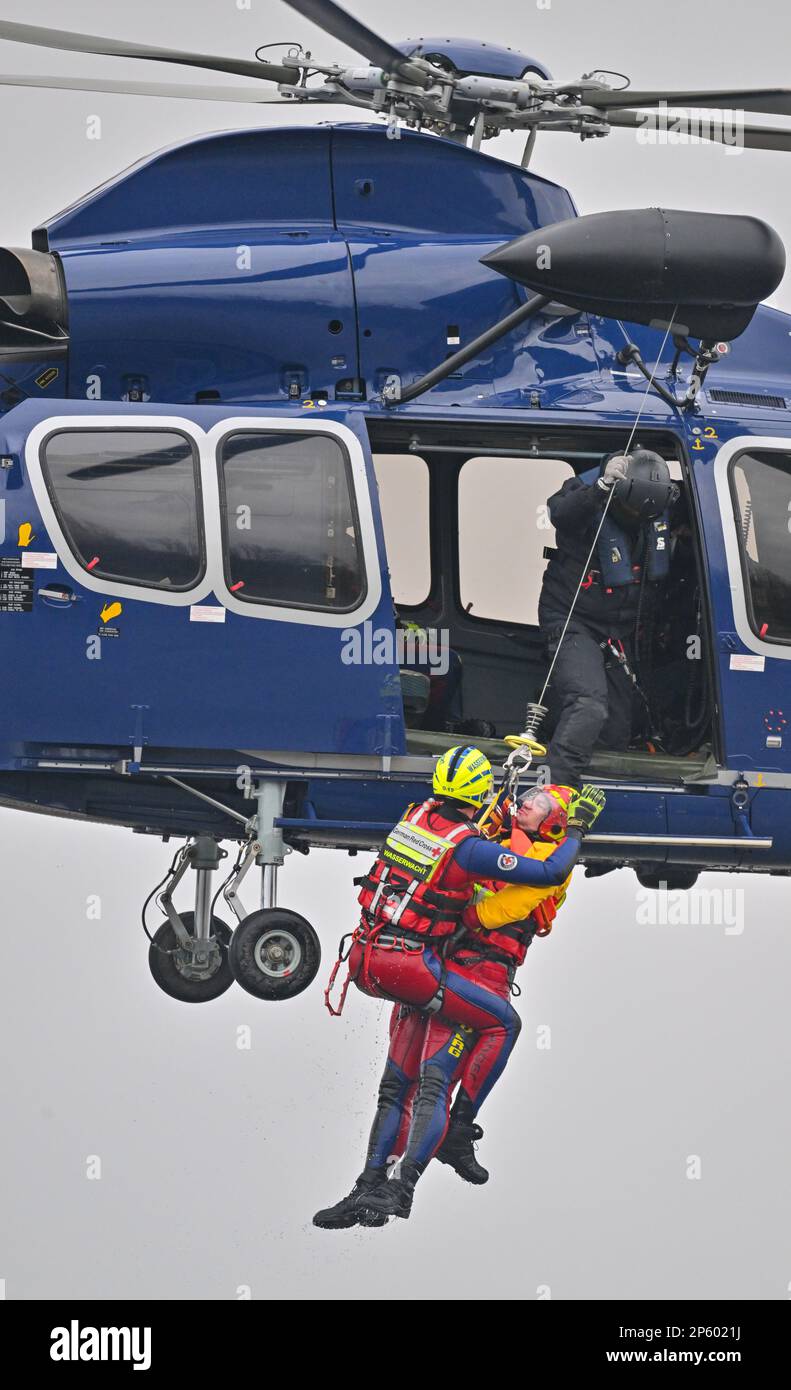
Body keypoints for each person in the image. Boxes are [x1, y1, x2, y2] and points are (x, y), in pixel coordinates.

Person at [313, 750, 604, 1227]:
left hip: (466, 974)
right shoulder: (488, 841)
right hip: (434, 968)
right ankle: (372, 1186)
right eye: (528, 798)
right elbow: (484, 840)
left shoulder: (532, 862)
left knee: (430, 1085)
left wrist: (575, 828)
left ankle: (405, 1181)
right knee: (398, 1087)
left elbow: (493, 904)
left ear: (552, 829)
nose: (526, 803)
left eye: (539, 805)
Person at [538, 446, 679, 788]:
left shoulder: (659, 502)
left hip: (619, 627)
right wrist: (600, 488)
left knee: (616, 728)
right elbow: (562, 513)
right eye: (629, 509)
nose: (635, 516)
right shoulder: (586, 495)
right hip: (572, 617)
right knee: (589, 706)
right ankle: (554, 793)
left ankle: (597, 796)